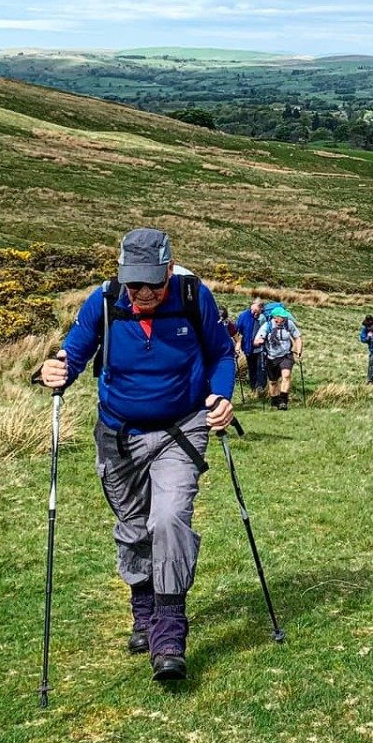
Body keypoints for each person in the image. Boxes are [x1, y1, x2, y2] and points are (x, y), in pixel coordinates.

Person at [38, 228, 235, 683]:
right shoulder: (104, 302)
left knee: (168, 518)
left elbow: (221, 354)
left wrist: (221, 395)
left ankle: (168, 632)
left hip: (181, 429)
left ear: (170, 270)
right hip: (118, 435)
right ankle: (143, 611)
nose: (144, 293)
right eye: (135, 284)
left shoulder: (192, 296)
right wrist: (55, 370)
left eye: (153, 283)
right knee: (132, 526)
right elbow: (74, 355)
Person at [260, 300, 301, 409]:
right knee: (273, 381)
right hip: (271, 356)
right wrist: (259, 340)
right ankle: (275, 400)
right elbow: (257, 339)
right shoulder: (267, 325)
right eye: (282, 317)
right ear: (275, 317)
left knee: (286, 376)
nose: (284, 319)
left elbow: (297, 337)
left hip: (286, 355)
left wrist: (299, 350)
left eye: (285, 317)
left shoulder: (288, 324)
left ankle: (283, 401)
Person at [230, 294, 268, 399]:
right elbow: (237, 330)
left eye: (257, 310)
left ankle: (261, 390)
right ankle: (253, 390)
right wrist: (238, 343)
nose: (254, 312)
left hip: (261, 348)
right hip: (248, 348)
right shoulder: (243, 316)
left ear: (261, 309)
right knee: (252, 370)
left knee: (261, 368)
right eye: (253, 310)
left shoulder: (264, 318)